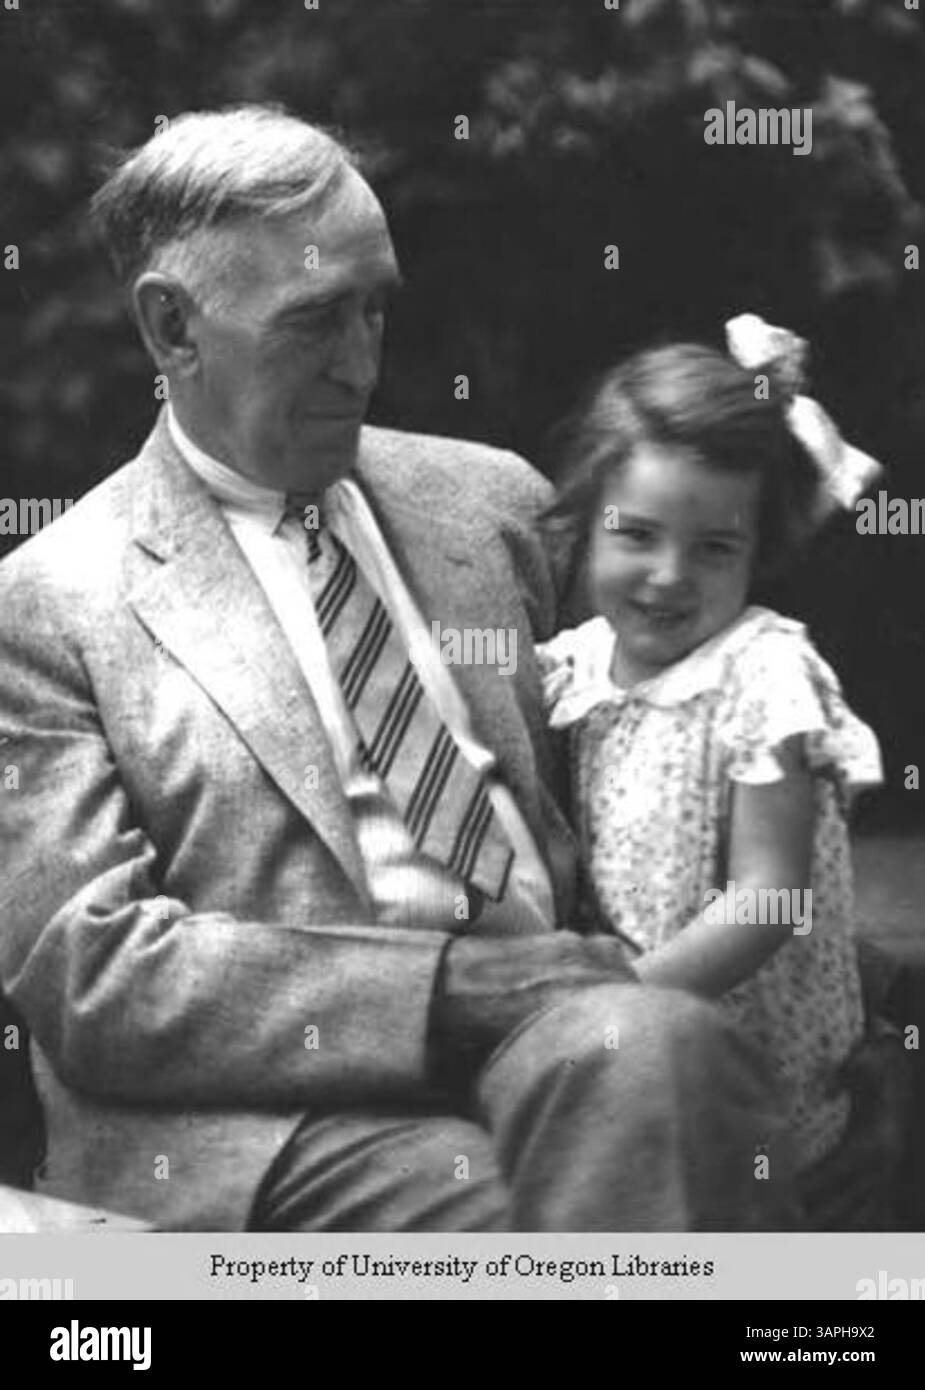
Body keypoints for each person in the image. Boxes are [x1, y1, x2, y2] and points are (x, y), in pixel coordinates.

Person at [0, 107, 790, 1233]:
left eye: (377, 309)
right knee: (547, 1206)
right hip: (277, 1122)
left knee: (660, 1055)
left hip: (562, 1025)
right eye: (316, 322)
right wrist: (444, 992)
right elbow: (93, 977)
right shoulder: (48, 602)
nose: (363, 366)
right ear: (172, 329)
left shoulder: (495, 504)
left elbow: (682, 682)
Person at [536, 325, 887, 1194]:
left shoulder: (762, 672)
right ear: (584, 523)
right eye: (637, 536)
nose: (668, 575)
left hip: (749, 1055)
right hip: (629, 1034)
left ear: (756, 549)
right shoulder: (574, 667)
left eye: (713, 549)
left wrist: (628, 995)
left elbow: (768, 898)